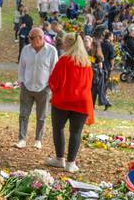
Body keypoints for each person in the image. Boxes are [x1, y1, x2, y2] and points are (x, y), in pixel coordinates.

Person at [44, 32, 93, 174]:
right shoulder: (86, 63)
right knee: (76, 132)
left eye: (64, 42)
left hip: (63, 100)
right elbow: (89, 84)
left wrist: (55, 91)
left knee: (58, 128)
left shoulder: (64, 60)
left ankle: (60, 158)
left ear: (68, 44)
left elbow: (54, 81)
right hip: (82, 102)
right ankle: (71, 163)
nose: (62, 45)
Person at [15, 26, 56, 148]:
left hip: (43, 88)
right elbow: (21, 66)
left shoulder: (51, 51)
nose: (30, 40)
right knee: (23, 114)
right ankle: (22, 139)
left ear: (40, 38)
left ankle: (38, 140)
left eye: (32, 38)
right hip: (27, 87)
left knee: (41, 116)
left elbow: (54, 69)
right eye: (29, 37)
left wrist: (49, 86)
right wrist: (22, 81)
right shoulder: (26, 50)